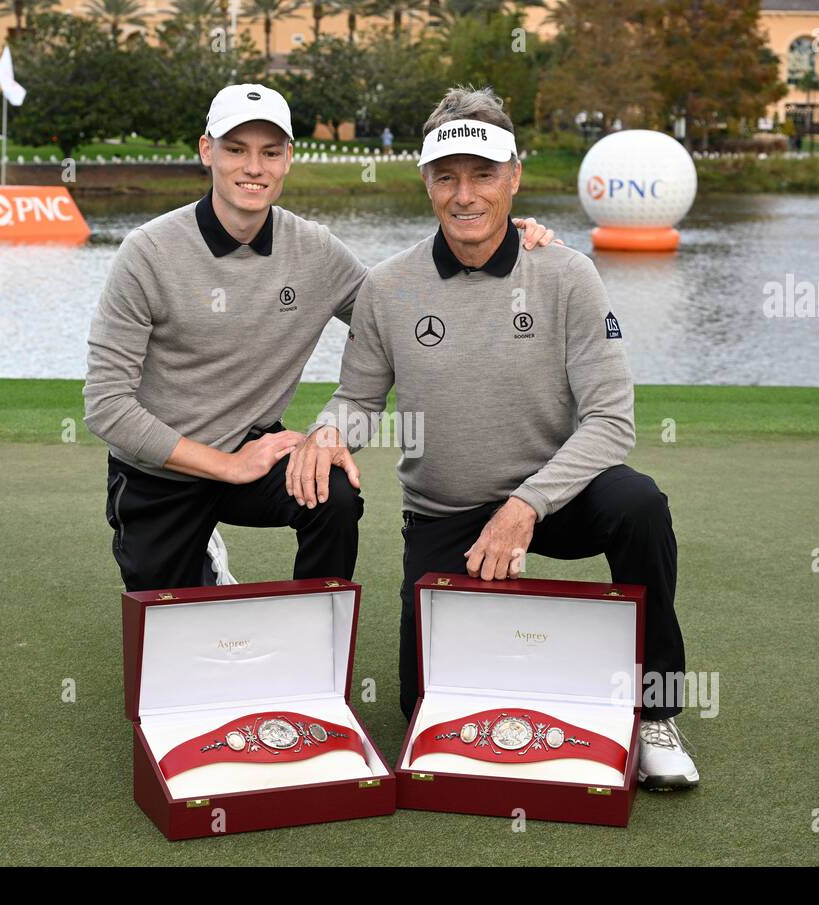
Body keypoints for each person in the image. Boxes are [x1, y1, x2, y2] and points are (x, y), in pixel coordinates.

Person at [286, 86, 699, 790]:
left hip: (555, 502)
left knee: (639, 504)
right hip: (447, 511)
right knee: (428, 718)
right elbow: (359, 398)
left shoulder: (566, 274)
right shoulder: (390, 288)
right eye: (446, 177)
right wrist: (329, 433)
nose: (464, 194)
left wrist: (527, 504)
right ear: (426, 182)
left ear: (514, 176)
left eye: (482, 175)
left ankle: (654, 710)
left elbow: (612, 421)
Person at [83, 83, 558, 593]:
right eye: (235, 150)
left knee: (332, 494)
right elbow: (106, 406)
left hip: (256, 451)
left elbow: (403, 315)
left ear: (288, 158)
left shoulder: (315, 250)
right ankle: (200, 550)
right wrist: (227, 465)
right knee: (171, 640)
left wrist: (499, 240)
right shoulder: (148, 252)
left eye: (269, 152)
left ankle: (314, 628)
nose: (253, 168)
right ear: (206, 150)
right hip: (162, 472)